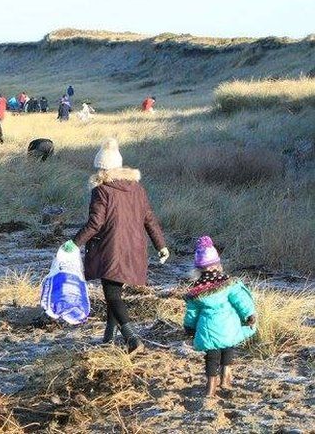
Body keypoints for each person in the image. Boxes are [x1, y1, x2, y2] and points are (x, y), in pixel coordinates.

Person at [70, 138, 169, 353]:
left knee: (112, 296)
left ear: (102, 168)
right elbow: (149, 218)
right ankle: (108, 338)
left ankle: (132, 338)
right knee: (114, 292)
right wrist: (161, 245)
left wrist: (74, 243)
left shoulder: (102, 190)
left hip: (111, 249)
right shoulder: (137, 188)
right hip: (134, 249)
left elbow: (95, 223)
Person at [183, 236, 257, 404]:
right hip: (229, 328)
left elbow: (192, 314)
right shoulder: (229, 284)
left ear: (199, 269)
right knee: (228, 351)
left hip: (209, 332)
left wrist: (189, 327)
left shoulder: (196, 292)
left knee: (211, 358)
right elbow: (241, 301)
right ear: (217, 264)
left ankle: (210, 389)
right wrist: (249, 315)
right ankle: (226, 380)